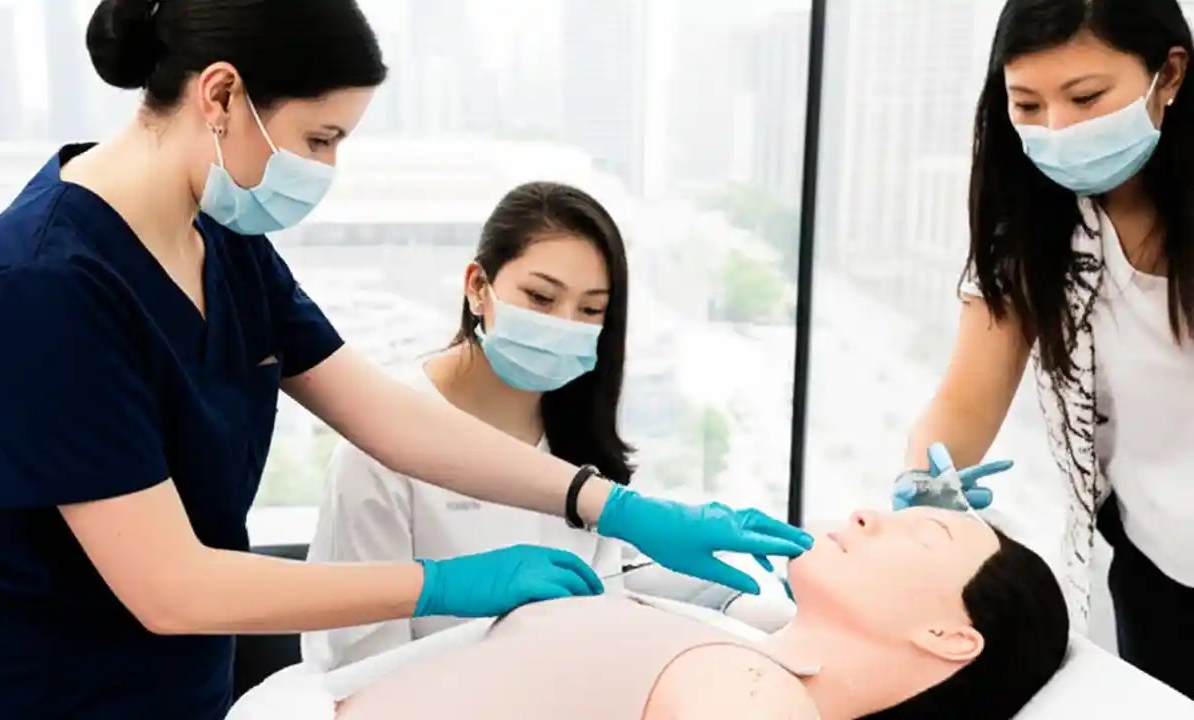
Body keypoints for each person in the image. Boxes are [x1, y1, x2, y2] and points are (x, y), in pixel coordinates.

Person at [0, 1, 813, 717]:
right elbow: (170, 588)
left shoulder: (220, 244)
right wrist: (442, 582)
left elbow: (385, 416)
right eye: (321, 139)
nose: (327, 168)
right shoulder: (40, 289)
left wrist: (613, 505)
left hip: (187, 694)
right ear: (222, 95)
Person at [302, 181, 782, 669]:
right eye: (540, 297)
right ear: (477, 287)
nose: (565, 324)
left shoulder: (579, 435)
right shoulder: (381, 444)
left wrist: (748, 615)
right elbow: (359, 662)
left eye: (591, 309)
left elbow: (602, 605)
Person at [897, 0, 1194, 699]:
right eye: (1027, 104)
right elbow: (962, 404)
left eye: (1086, 97)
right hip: (1157, 575)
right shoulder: (1031, 234)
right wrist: (923, 491)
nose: (1058, 129)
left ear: (1170, 74)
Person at [330, 507, 1070, 720]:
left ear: (949, 637)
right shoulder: (742, 650)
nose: (872, 516)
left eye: (926, 531)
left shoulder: (757, 698)